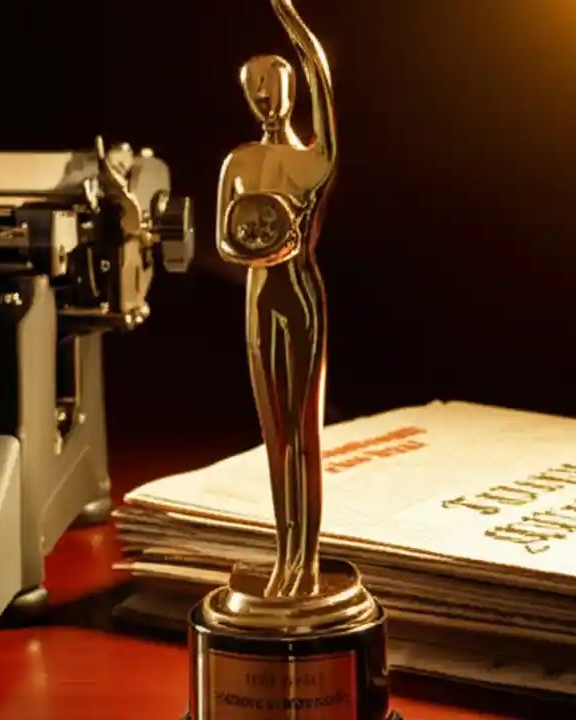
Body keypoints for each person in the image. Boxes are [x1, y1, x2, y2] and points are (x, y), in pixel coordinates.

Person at [215, 0, 337, 600]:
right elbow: (222, 237)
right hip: (261, 292)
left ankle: (308, 560)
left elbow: (323, 73)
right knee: (273, 433)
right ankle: (282, 555)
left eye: (277, 83)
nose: (267, 96)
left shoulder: (315, 158)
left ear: (293, 88)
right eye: (256, 88)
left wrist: (289, 17)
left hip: (301, 293)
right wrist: (263, 248)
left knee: (303, 429)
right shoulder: (238, 161)